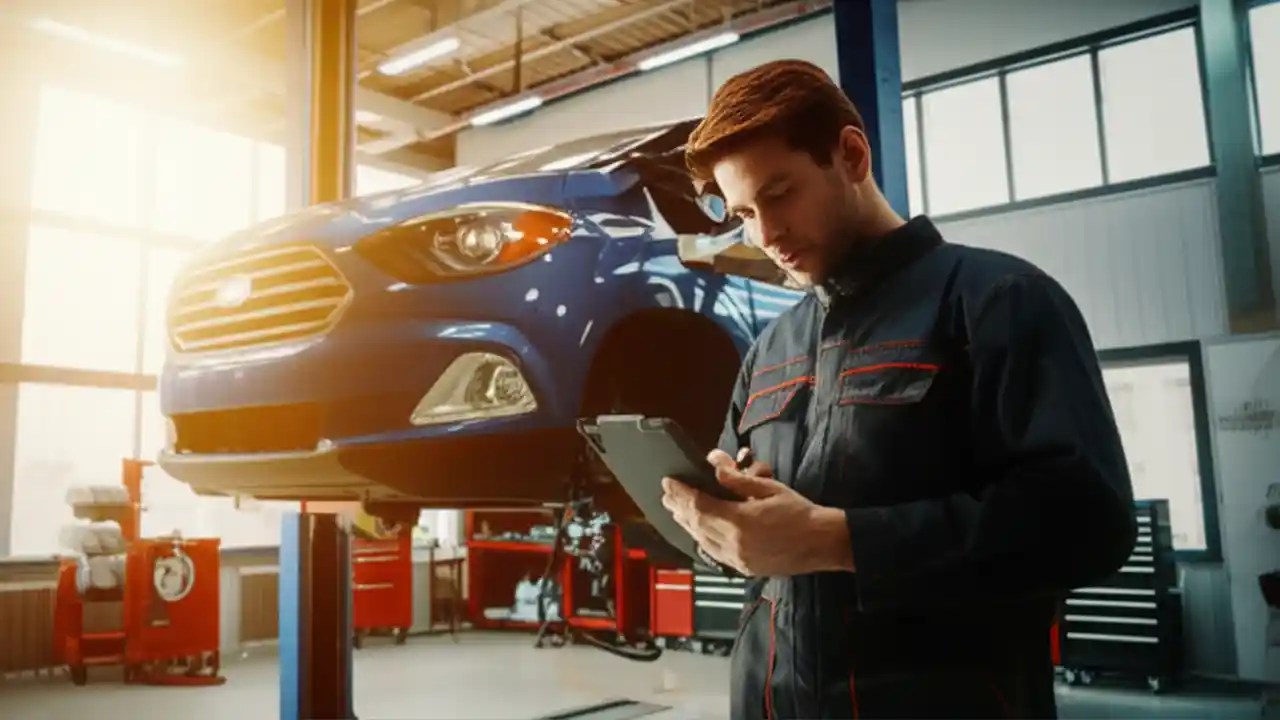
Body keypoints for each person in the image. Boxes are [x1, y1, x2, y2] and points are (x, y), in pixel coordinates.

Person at [659, 59, 1137, 719]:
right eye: (743, 212)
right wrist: (720, 525)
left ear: (850, 154)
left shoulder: (997, 302)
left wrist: (835, 538)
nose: (764, 236)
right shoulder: (770, 349)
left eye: (779, 194)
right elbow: (748, 552)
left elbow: (1089, 523)